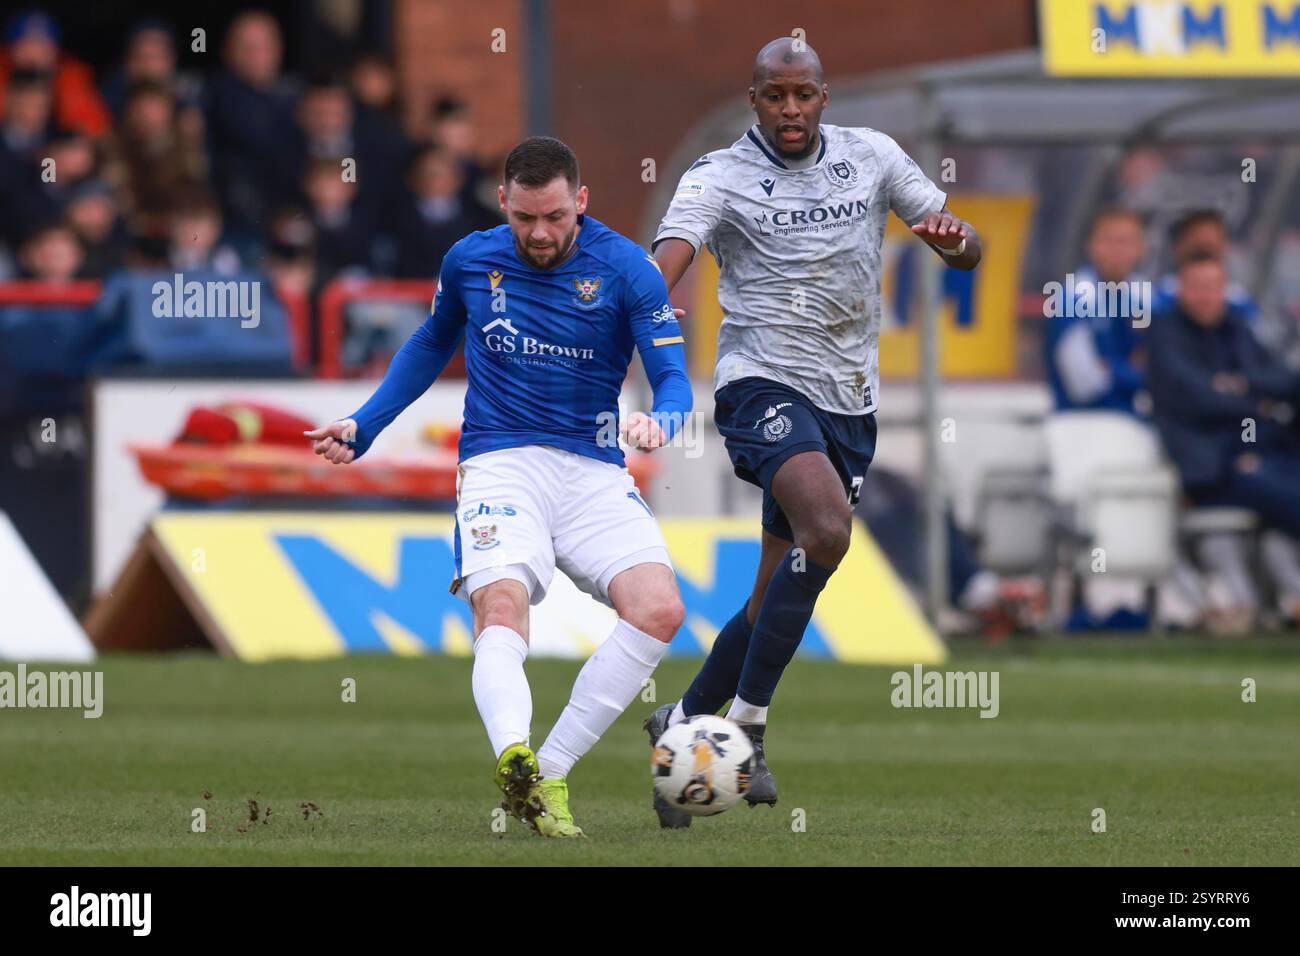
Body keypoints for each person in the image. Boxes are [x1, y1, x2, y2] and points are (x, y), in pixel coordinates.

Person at [304, 136, 694, 838]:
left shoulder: (630, 270)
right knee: (501, 604)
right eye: (523, 218)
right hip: (500, 460)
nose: (539, 234)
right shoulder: (470, 260)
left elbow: (673, 376)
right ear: (503, 204)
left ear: (580, 201)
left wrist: (663, 420)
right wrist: (365, 424)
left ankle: (547, 771)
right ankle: (512, 752)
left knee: (660, 610)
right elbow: (429, 343)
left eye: (553, 217)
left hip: (595, 468)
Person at [645, 37, 981, 828]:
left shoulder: (871, 156)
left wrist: (957, 239)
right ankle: (749, 731)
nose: (790, 110)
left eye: (803, 95)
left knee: (773, 593)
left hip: (849, 404)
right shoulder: (719, 174)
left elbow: (965, 246)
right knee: (826, 531)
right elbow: (670, 256)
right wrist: (641, 298)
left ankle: (684, 722)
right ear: (754, 98)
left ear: (824, 97)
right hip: (760, 382)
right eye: (774, 96)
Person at [1148, 252, 1300, 541]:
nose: (1206, 295)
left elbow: (1286, 380)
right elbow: (1200, 398)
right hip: (1215, 469)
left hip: (1270, 453)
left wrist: (1241, 382)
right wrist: (1258, 403)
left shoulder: (1237, 327)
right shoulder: (1166, 335)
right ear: (1182, 289)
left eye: (1213, 286)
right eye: (1197, 286)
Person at [1044, 206, 1148, 413]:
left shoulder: (1147, 298)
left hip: (1137, 421)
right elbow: (1085, 386)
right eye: (1111, 241)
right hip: (1082, 424)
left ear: (1141, 248)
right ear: (1091, 245)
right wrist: (1137, 375)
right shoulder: (1072, 300)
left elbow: (1165, 370)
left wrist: (1112, 369)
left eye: (1127, 242)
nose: (1119, 250)